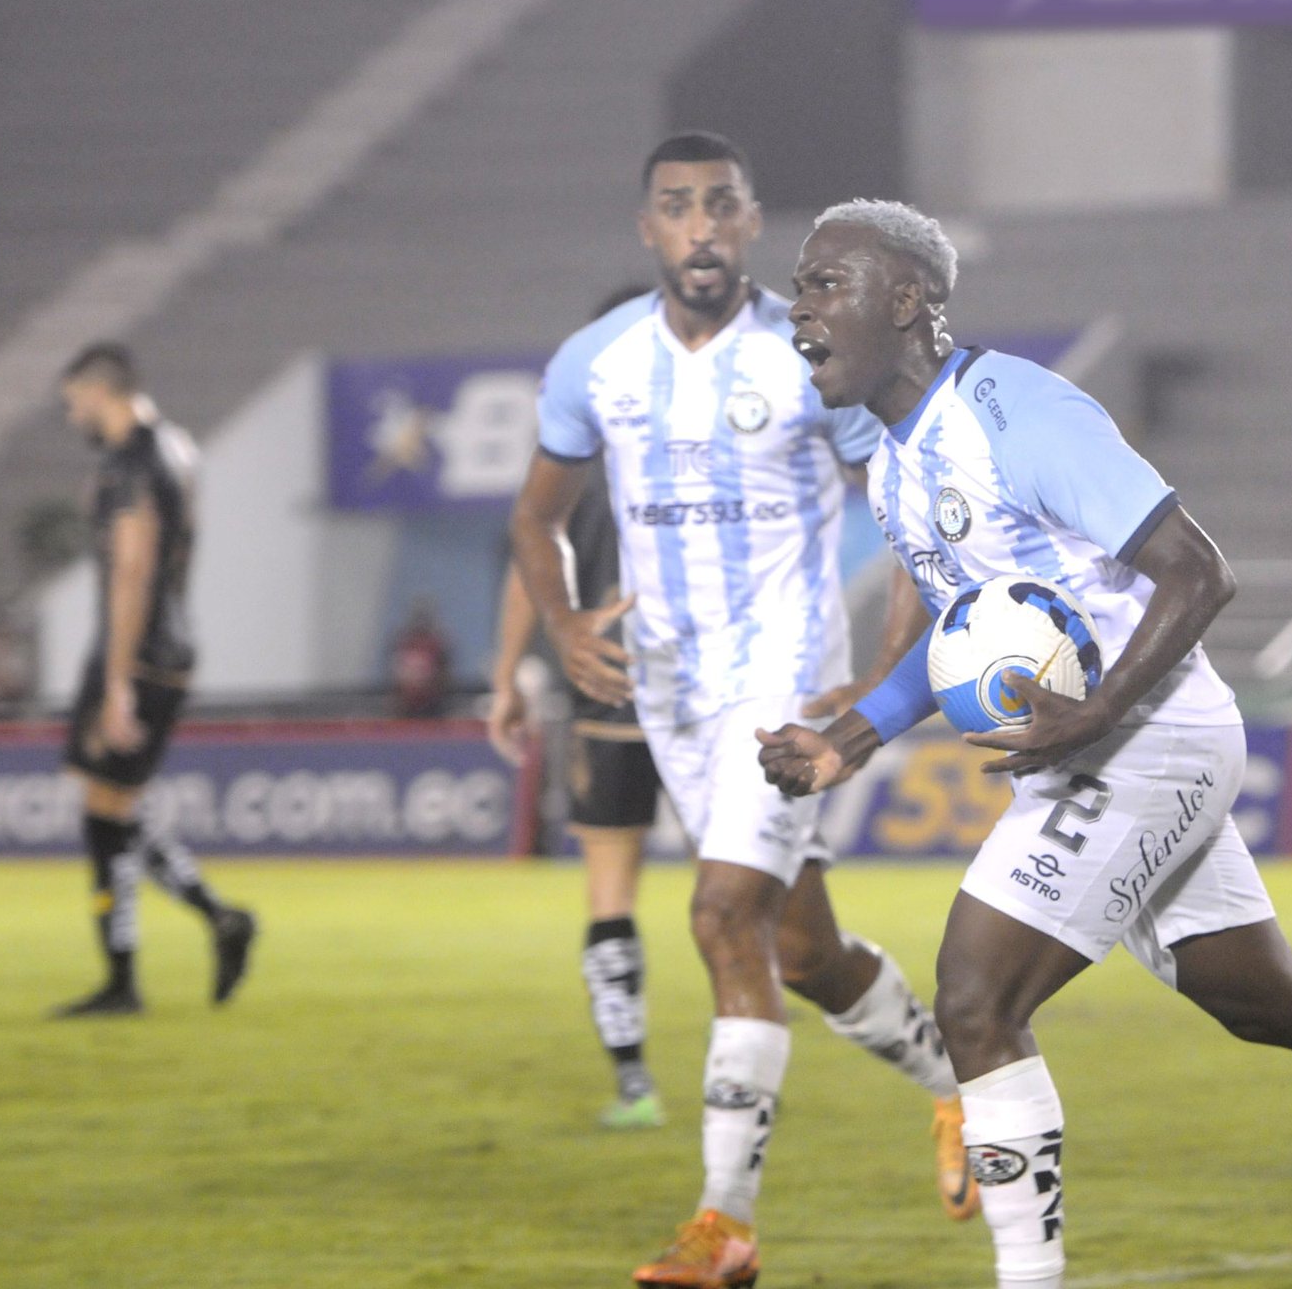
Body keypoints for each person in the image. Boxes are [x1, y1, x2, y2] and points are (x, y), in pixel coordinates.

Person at [754, 199, 1292, 1289]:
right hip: (1100, 747)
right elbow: (961, 637)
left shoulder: (1018, 413)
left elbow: (1199, 570)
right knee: (1263, 998)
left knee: (973, 998)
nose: (798, 309)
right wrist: (845, 739)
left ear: (905, 302)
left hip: (1146, 739)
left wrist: (1092, 716)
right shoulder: (892, 457)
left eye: (822, 285)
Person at [509, 134, 974, 1288]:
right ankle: (966, 1088)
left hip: (781, 682)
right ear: (648, 229)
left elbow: (909, 495)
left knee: (722, 917)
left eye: (721, 206)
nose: (701, 227)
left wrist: (886, 670)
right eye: (677, 207)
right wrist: (562, 625)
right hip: (664, 692)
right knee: (803, 949)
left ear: (752, 221)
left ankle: (725, 1224)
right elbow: (535, 516)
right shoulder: (595, 364)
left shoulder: (811, 349)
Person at [491, 284, 670, 1131]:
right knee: (757, 895)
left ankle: (634, 1082)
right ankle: (751, 1065)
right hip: (706, 698)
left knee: (610, 894)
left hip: (605, 693)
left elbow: (533, 560)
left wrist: (503, 680)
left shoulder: (573, 454)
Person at [52, 342, 257, 1017]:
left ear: (99, 392)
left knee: (104, 816)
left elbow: (134, 572)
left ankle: (140, 969)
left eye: (74, 402)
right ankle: (206, 925)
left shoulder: (130, 466)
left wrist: (115, 683)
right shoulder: (177, 449)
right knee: (110, 814)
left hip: (135, 654)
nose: (73, 416)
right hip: (167, 646)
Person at [389, 596, 453, 718]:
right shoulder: (403, 641)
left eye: (424, 617)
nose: (420, 622)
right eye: (418, 617)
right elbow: (394, 673)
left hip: (434, 706)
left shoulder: (438, 643)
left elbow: (446, 674)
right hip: (404, 708)